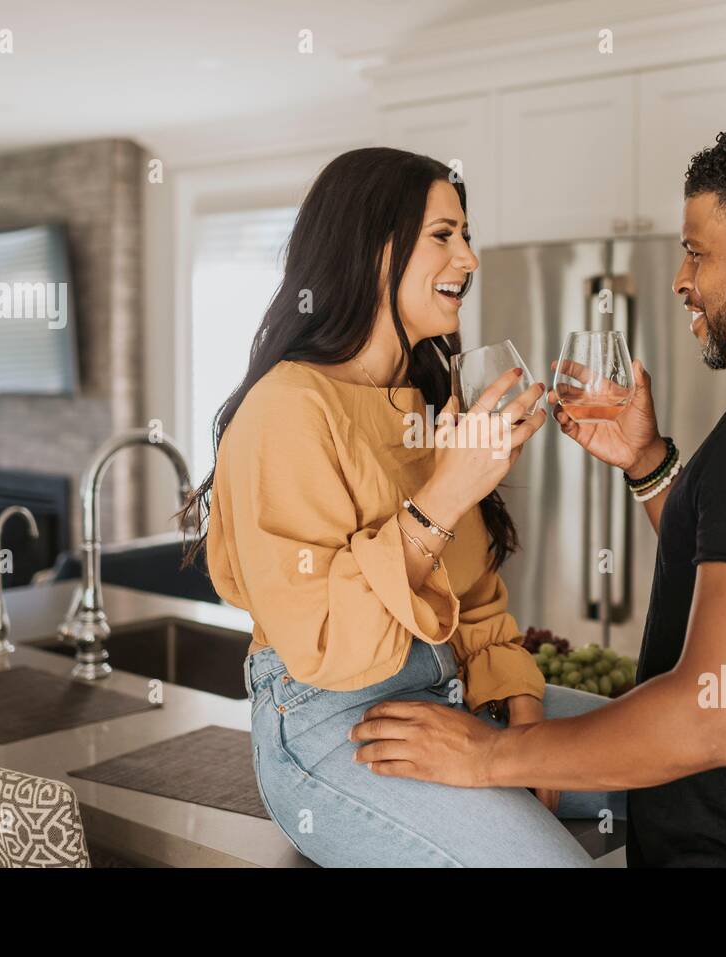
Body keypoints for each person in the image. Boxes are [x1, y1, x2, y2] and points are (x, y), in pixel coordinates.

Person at [350, 121, 726, 867]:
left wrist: (489, 754)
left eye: (697, 251)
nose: (681, 280)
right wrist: (649, 463)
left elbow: (710, 720)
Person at [182, 147, 626, 867]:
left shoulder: (427, 401)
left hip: (455, 689)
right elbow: (328, 645)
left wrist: (522, 706)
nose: (471, 257)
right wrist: (448, 489)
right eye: (444, 234)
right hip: (338, 722)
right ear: (374, 247)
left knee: (687, 775)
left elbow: (474, 592)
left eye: (467, 233)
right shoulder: (286, 410)